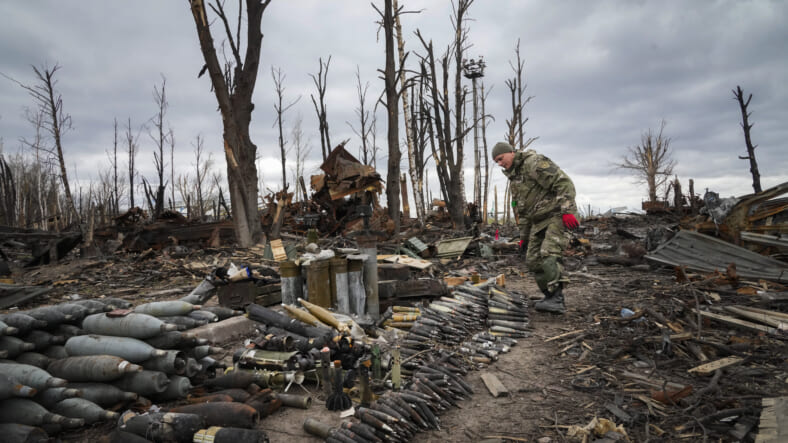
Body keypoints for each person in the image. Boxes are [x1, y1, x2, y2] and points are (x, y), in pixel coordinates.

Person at [492, 141, 578, 314]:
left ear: (511, 152)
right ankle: (549, 296)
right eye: (497, 162)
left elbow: (563, 182)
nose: (500, 164)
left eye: (501, 159)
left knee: (549, 253)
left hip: (557, 215)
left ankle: (557, 299)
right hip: (538, 222)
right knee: (532, 259)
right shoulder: (515, 179)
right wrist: (523, 237)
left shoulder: (533, 162)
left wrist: (567, 210)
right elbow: (522, 213)